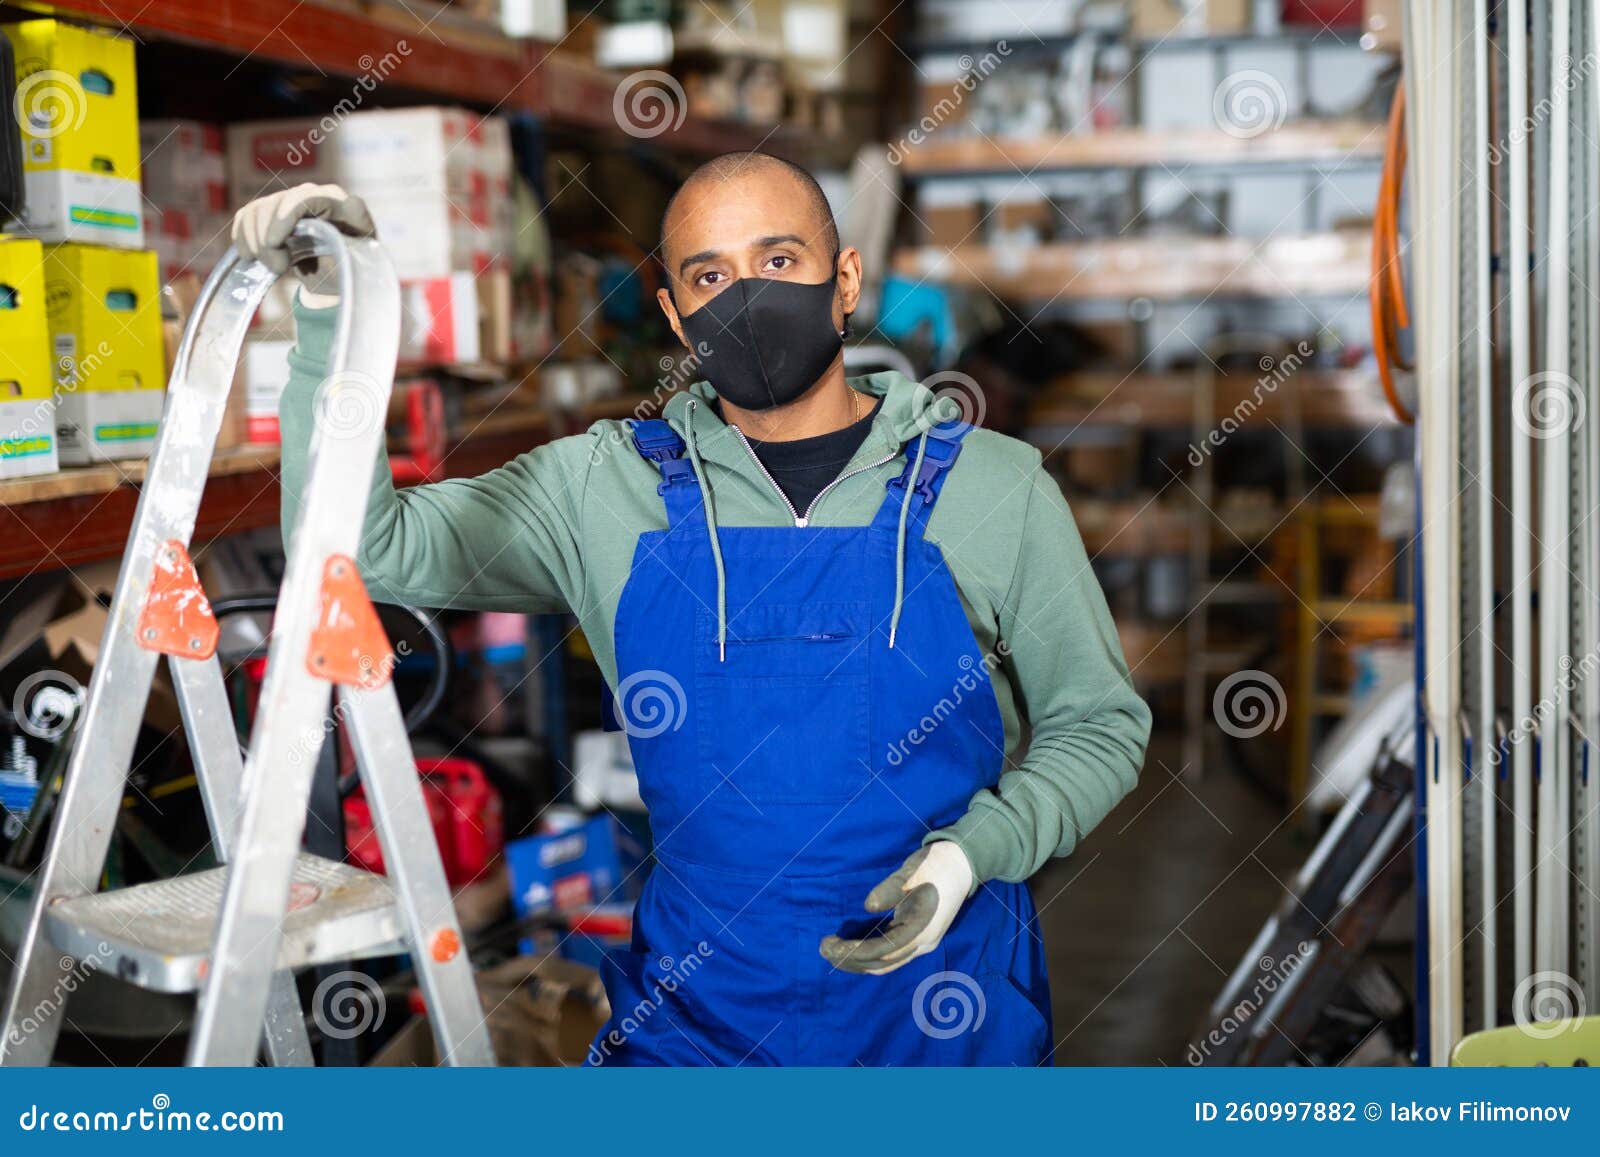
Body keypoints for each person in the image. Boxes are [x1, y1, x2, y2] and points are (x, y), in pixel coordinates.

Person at [232, 151, 1151, 1066]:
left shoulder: (995, 488)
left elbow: (1098, 724)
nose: (746, 296)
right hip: (702, 1018)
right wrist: (329, 321)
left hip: (946, 1010)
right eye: (710, 275)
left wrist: (972, 854)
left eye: (779, 260)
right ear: (674, 314)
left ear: (845, 282)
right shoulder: (602, 486)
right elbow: (359, 544)